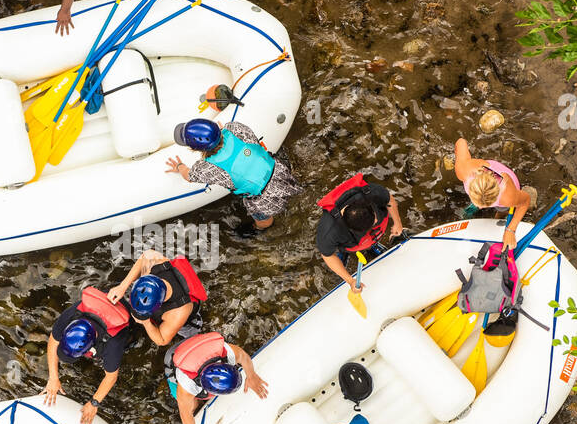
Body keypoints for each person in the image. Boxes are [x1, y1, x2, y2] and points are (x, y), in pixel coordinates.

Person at [165, 118, 302, 237]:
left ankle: (261, 228)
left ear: (194, 149)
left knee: (263, 220)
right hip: (278, 171)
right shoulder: (235, 127)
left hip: (263, 198)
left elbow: (189, 176)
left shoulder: (207, 168)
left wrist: (179, 166)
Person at [44, 286, 140, 424]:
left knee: (130, 340)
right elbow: (53, 340)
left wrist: (94, 403)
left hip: (122, 315)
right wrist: (53, 377)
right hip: (104, 297)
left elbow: (111, 376)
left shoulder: (112, 343)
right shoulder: (73, 314)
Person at [164, 331, 268, 424]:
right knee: (193, 406)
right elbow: (185, 413)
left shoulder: (228, 352)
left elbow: (243, 356)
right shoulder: (187, 385)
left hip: (197, 345)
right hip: (175, 358)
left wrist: (251, 376)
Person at [315, 173, 404, 292]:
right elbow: (328, 255)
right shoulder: (329, 230)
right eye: (374, 223)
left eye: (374, 218)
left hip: (366, 237)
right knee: (339, 252)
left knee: (370, 240)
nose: (377, 220)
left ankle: (372, 245)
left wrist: (397, 223)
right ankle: (345, 254)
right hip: (350, 242)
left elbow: (389, 200)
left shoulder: (370, 192)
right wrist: (350, 280)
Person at [107, 249, 206, 347]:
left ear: (159, 305)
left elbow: (162, 340)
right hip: (169, 299)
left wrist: (146, 322)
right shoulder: (154, 261)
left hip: (187, 320)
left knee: (189, 335)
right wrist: (122, 287)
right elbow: (144, 256)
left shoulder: (179, 312)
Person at [454, 138, 532, 249]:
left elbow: (526, 201)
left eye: (483, 205)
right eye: (476, 202)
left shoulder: (506, 196)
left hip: (507, 188)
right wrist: (456, 156)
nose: (480, 207)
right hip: (489, 174)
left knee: (502, 210)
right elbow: (460, 142)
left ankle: (499, 216)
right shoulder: (464, 171)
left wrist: (511, 229)